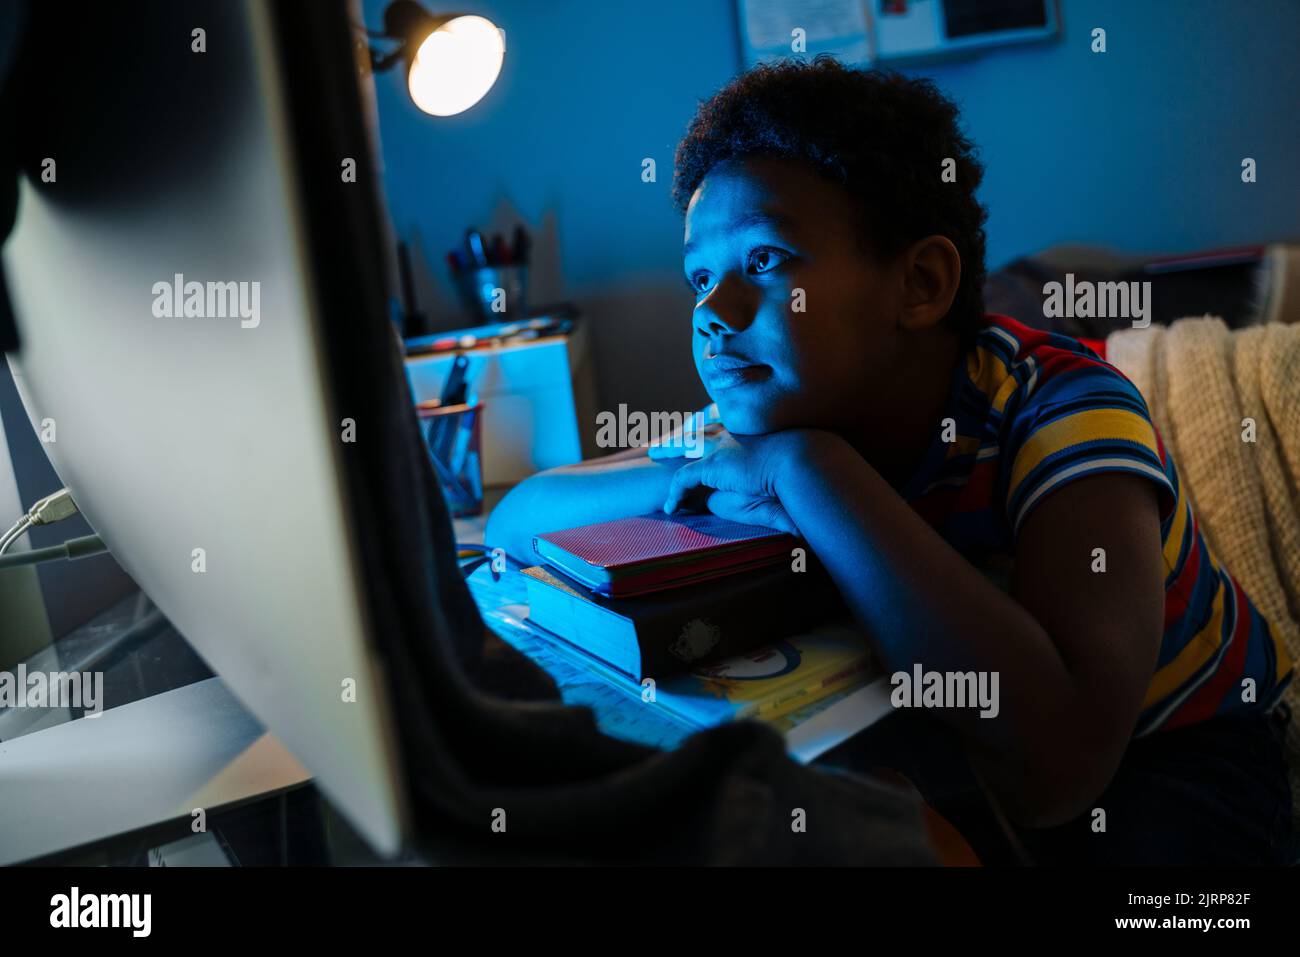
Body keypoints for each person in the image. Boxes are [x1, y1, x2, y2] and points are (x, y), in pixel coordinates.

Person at [485, 57, 1294, 864]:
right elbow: (516, 519)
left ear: (921, 283)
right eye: (700, 276)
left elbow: (1061, 768)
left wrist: (811, 472)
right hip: (941, 737)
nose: (713, 312)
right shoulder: (760, 424)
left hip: (1175, 748)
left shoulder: (1064, 408)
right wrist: (675, 478)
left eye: (764, 261)